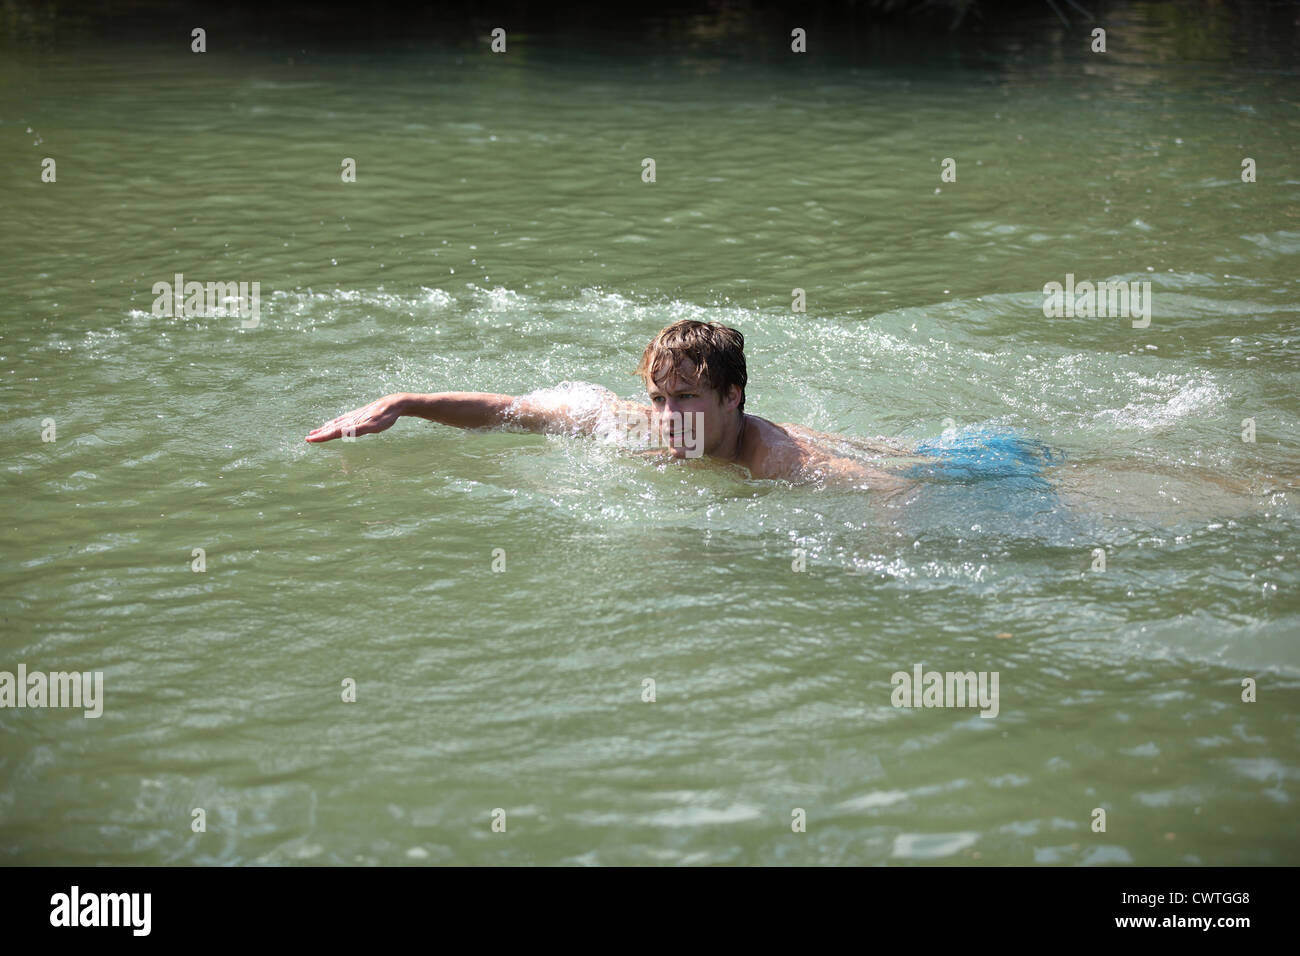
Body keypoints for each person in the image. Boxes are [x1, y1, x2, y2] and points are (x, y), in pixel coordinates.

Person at [305, 319, 921, 489]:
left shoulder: (777, 460)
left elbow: (892, 487)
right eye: (659, 398)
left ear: (733, 396)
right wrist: (405, 402)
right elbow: (505, 411)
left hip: (935, 460)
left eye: (686, 398)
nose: (668, 417)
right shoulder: (620, 423)